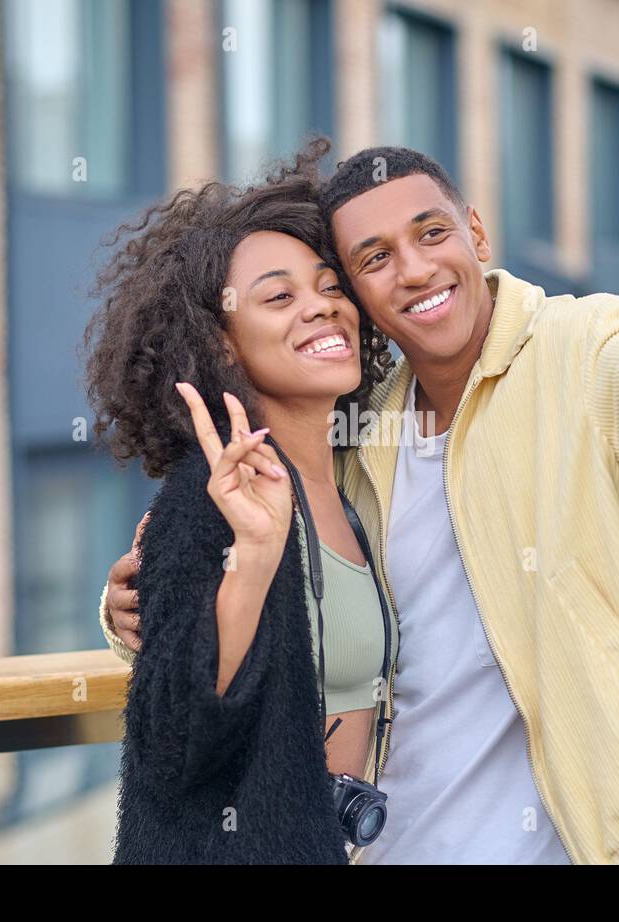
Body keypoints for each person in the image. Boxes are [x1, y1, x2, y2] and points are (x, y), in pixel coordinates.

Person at [101, 95, 619, 863]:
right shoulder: (352, 437)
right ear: (359, 291)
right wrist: (144, 603)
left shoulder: (582, 354)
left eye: (431, 233)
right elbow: (281, 632)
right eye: (375, 258)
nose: (416, 268)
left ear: (476, 233)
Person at [84, 140, 396, 863]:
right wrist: (253, 560)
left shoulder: (358, 476)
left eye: (329, 286)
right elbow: (172, 746)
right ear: (221, 343)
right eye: (280, 297)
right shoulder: (209, 499)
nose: (321, 308)